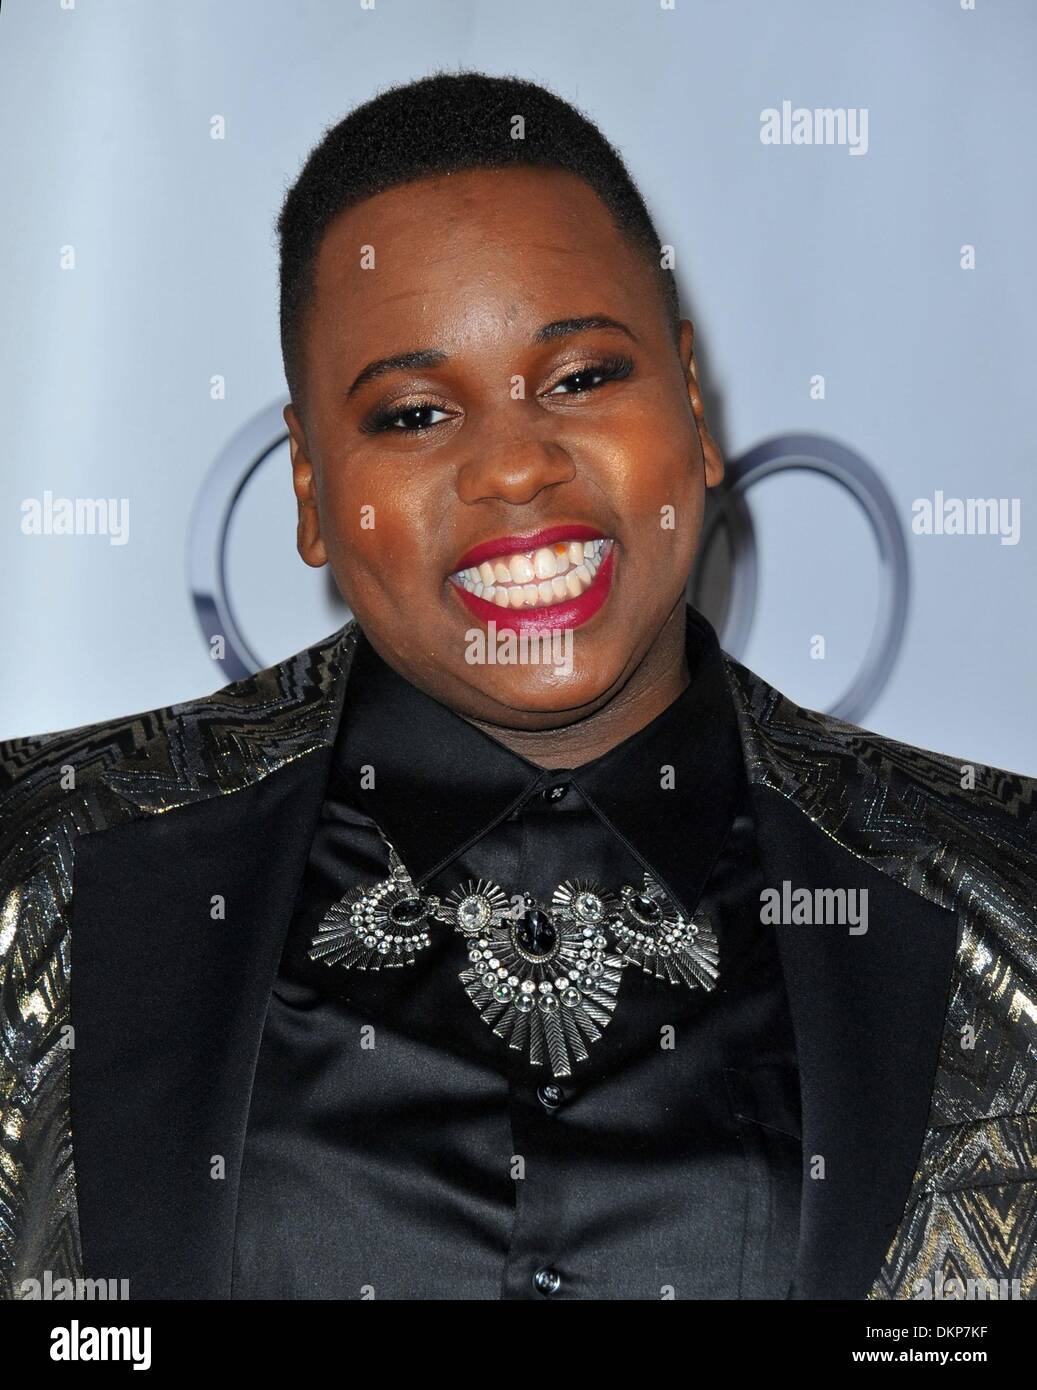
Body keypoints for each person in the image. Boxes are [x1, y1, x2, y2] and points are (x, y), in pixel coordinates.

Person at [2, 71, 1034, 1303]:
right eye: (415, 410)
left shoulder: (999, 893)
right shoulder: (46, 860)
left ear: (692, 406)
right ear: (311, 493)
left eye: (582, 378)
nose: (513, 467)